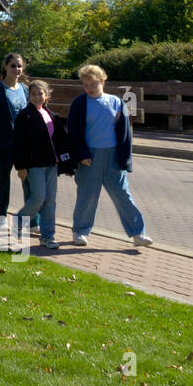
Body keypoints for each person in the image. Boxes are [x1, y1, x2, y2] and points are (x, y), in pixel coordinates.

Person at [67, 64, 153, 248]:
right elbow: (73, 132)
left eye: (93, 84)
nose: (90, 88)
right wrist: (81, 154)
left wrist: (124, 159)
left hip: (113, 156)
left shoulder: (116, 102)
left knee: (123, 195)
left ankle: (138, 233)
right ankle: (80, 232)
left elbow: (125, 134)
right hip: (89, 157)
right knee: (88, 196)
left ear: (102, 81)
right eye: (86, 84)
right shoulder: (79, 103)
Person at [11, 80, 74, 250]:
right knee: (38, 198)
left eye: (41, 94)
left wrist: (68, 163)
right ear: (29, 96)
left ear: (46, 95)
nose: (37, 97)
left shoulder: (52, 115)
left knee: (50, 201)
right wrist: (21, 167)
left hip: (51, 165)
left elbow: (61, 141)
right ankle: (18, 220)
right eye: (34, 94)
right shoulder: (24, 116)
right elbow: (18, 143)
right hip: (34, 165)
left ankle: (48, 236)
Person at [0, 52, 35, 226]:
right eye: (13, 65)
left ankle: (32, 219)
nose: (17, 69)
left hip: (23, 144)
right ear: (5, 67)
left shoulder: (24, 89)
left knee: (29, 181)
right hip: (3, 144)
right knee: (2, 182)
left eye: (19, 66)